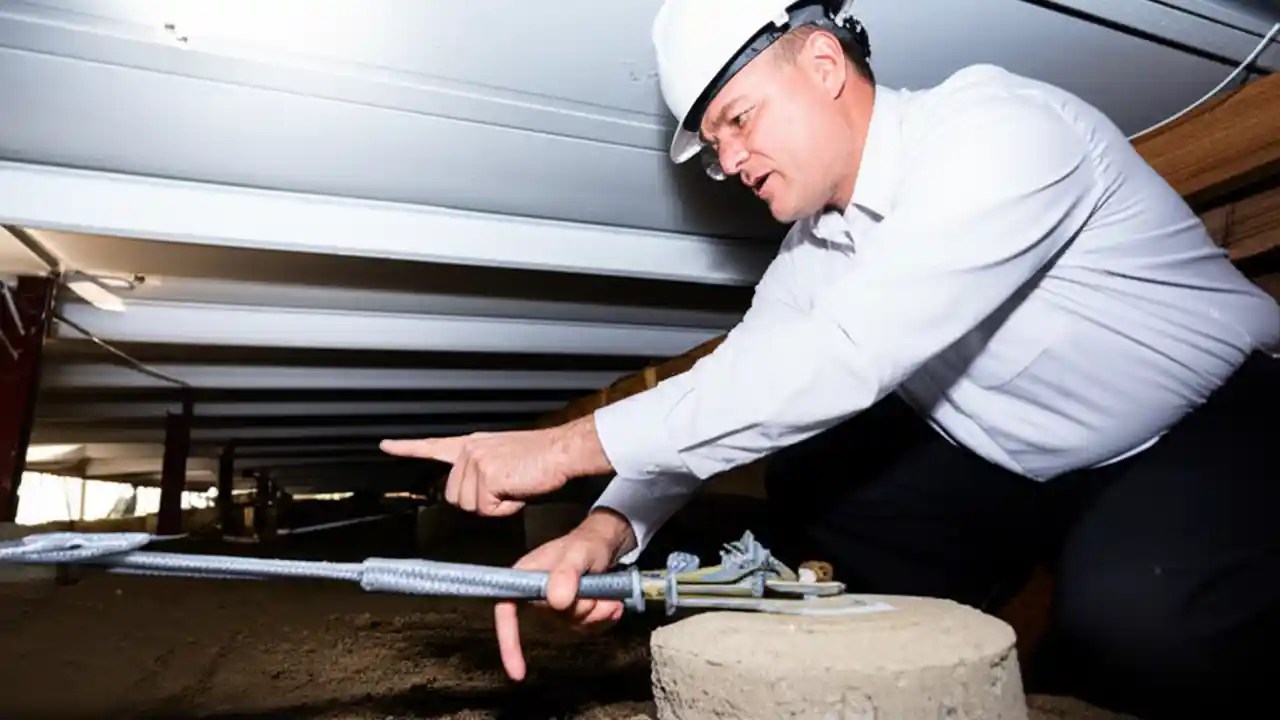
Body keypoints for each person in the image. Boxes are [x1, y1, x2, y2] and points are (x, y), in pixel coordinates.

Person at [381, 0, 1280, 716]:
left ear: (821, 63)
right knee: (816, 475)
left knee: (1144, 626)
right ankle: (982, 634)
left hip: (1210, 423)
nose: (729, 160)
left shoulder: (996, 130)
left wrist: (564, 446)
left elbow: (852, 354)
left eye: (737, 119)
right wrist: (605, 531)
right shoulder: (810, 253)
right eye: (712, 146)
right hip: (1029, 468)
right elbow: (733, 389)